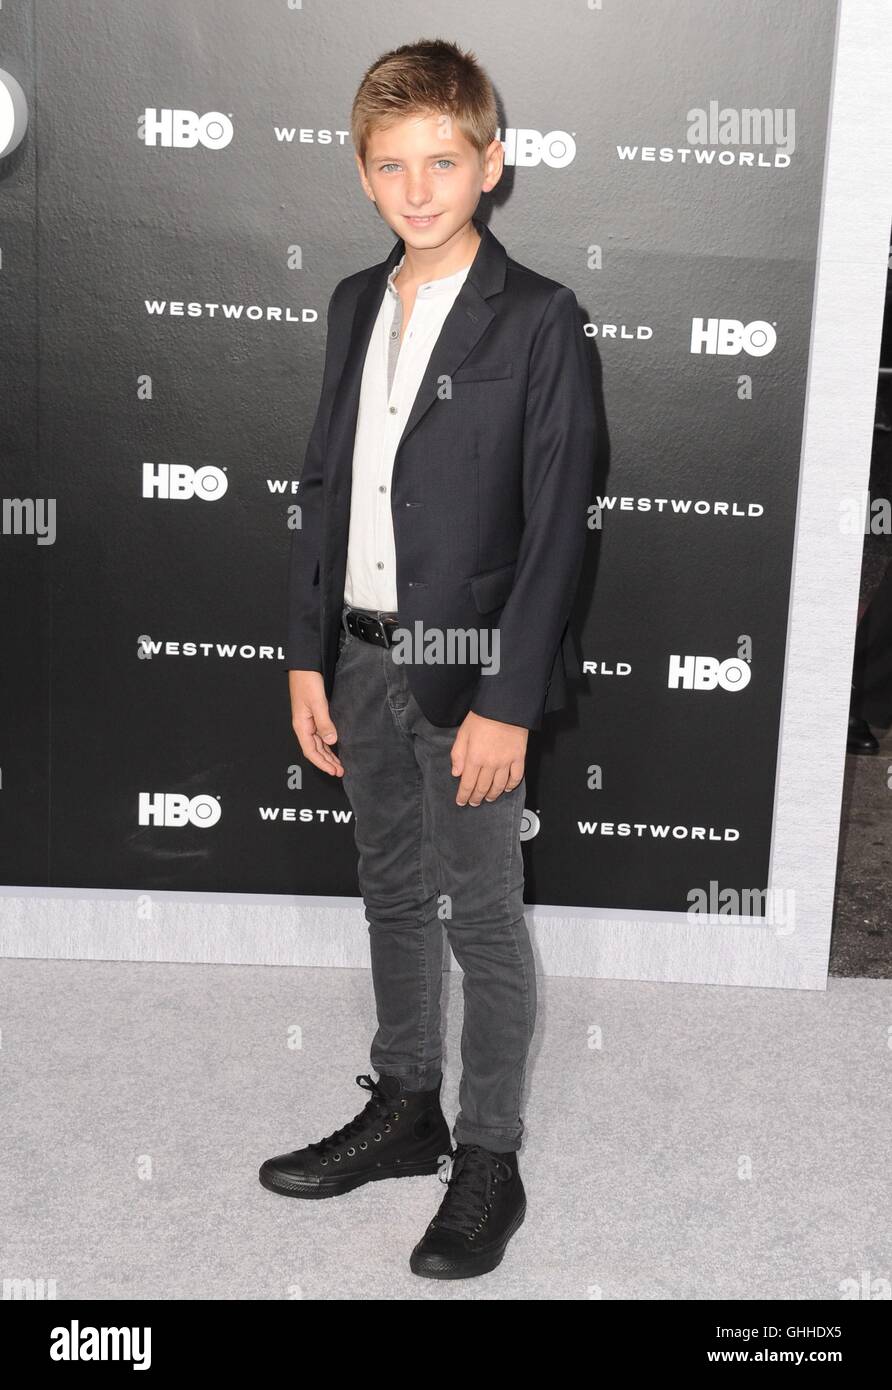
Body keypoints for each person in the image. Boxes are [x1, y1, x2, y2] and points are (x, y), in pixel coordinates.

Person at [259, 37, 597, 1281]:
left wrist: (507, 702)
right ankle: (406, 1109)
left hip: (473, 679)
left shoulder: (544, 317)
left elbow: (560, 525)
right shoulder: (354, 302)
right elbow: (325, 487)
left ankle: (489, 1155)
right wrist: (305, 654)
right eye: (391, 166)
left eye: (442, 162)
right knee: (390, 893)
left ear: (490, 164)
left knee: (484, 920)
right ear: (360, 173)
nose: (417, 188)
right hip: (355, 657)